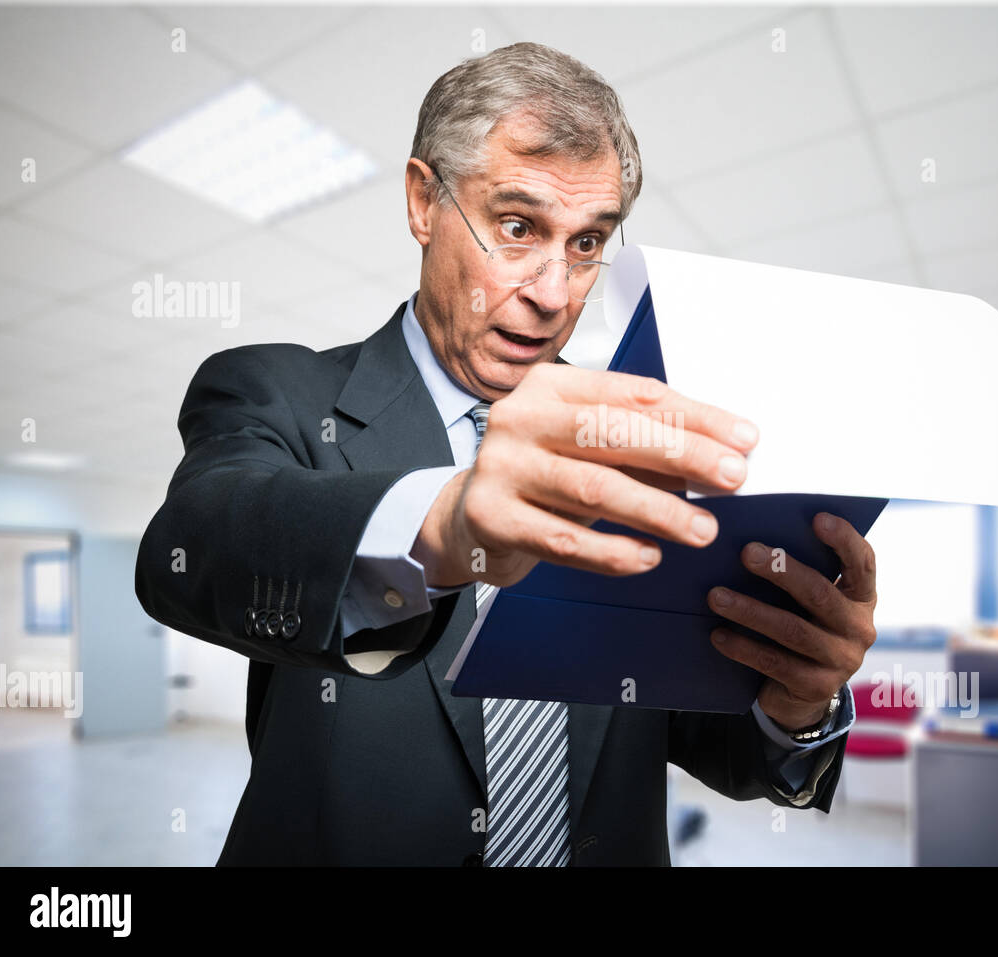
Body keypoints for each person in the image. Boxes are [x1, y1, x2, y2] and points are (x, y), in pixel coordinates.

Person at [134, 41, 877, 866]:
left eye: (588, 243)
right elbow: (190, 547)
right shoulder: (280, 393)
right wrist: (442, 526)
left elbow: (709, 736)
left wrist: (796, 700)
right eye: (517, 227)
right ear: (424, 201)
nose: (556, 294)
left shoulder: (639, 443)